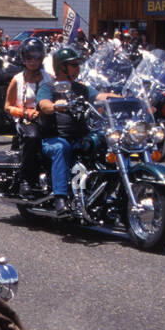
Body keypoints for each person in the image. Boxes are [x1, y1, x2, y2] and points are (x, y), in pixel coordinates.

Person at [36, 46, 114, 216]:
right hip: (54, 137)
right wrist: (55, 106)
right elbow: (44, 104)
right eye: (73, 65)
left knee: (107, 140)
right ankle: (60, 198)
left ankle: (105, 191)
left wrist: (128, 99)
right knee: (61, 148)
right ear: (61, 67)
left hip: (80, 136)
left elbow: (100, 96)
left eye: (78, 64)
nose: (77, 68)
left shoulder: (81, 88)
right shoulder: (49, 87)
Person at [5, 39, 45, 197]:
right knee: (33, 137)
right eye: (29, 57)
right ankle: (26, 180)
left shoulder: (49, 77)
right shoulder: (18, 79)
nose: (33, 61)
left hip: (46, 118)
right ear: (23, 58)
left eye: (36, 57)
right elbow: (8, 106)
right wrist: (25, 113)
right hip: (26, 120)